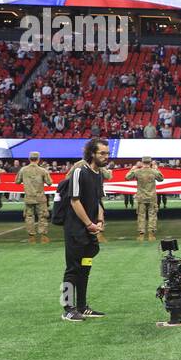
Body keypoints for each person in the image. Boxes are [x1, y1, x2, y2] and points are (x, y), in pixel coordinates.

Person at [61, 138, 108, 322]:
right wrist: (89, 223)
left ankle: (81, 306)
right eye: (102, 153)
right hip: (76, 229)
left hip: (90, 230)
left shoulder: (99, 174)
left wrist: (100, 220)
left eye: (107, 153)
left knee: (85, 267)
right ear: (92, 154)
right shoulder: (80, 171)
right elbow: (74, 200)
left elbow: (97, 201)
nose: (105, 156)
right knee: (72, 269)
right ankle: (67, 308)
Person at [16, 151, 55, 244]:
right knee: (43, 217)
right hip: (40, 198)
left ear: (29, 159)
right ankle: (43, 237)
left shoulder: (23, 170)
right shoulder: (43, 170)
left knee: (29, 217)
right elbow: (49, 182)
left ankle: (31, 237)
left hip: (29, 197)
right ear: (38, 159)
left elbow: (17, 181)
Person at [125, 156, 164, 242]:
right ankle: (151, 234)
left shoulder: (137, 172)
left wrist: (133, 168)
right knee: (152, 215)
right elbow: (161, 178)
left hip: (141, 197)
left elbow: (127, 177)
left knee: (141, 216)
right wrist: (156, 168)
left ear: (142, 162)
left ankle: (141, 234)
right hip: (152, 197)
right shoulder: (153, 172)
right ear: (150, 162)